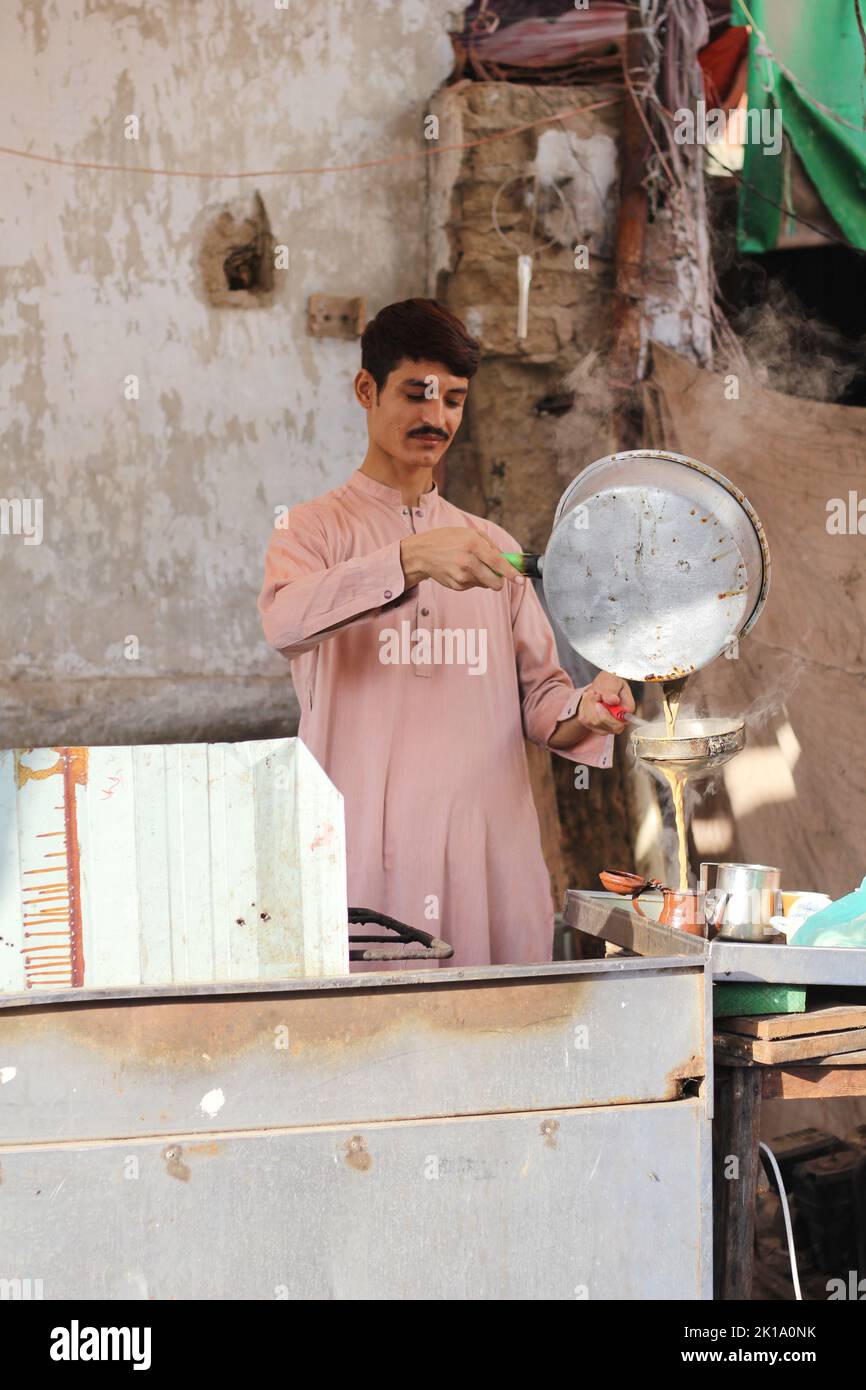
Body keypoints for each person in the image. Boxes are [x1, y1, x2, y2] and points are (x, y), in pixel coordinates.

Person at [258, 298, 633, 966]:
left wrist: (588, 710)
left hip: (489, 862)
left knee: (500, 1045)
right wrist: (410, 560)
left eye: (454, 400)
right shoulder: (311, 531)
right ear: (365, 390)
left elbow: (543, 703)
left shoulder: (493, 547)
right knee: (369, 1051)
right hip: (365, 861)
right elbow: (284, 622)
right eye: (417, 394)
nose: (437, 418)